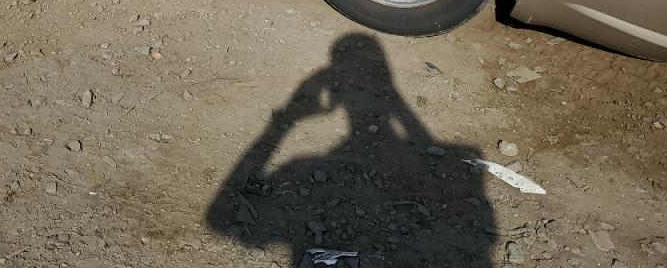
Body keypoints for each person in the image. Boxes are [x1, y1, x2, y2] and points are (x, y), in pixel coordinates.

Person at [206, 33, 495, 267]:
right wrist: (394, 100)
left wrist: (285, 121)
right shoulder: (463, 158)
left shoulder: (300, 166)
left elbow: (218, 217)